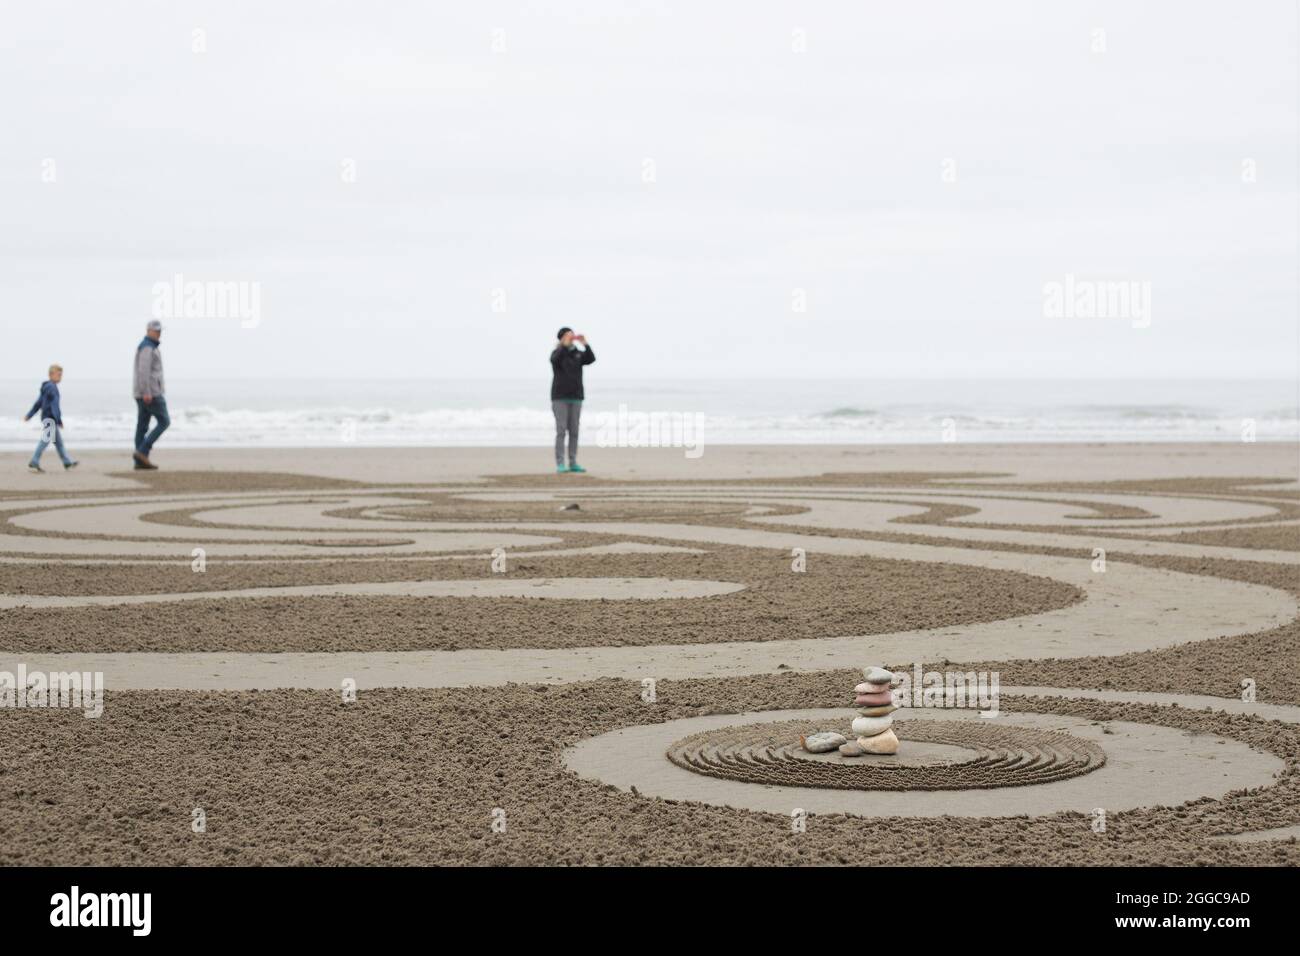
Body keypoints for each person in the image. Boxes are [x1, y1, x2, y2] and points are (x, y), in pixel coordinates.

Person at [550, 326, 595, 473]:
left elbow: (591, 359)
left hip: (576, 397)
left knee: (574, 431)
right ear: (562, 338)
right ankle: (560, 463)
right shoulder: (557, 353)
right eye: (568, 335)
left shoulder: (577, 354)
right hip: (559, 398)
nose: (571, 337)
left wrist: (585, 344)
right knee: (561, 430)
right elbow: (555, 360)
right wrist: (563, 345)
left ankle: (573, 461)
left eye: (572, 335)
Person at [23, 364, 77, 473]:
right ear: (51, 374)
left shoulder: (47, 387)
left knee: (58, 443)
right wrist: (58, 419)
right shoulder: (52, 387)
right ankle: (34, 461)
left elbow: (38, 403)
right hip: (50, 418)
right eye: (59, 374)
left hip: (48, 418)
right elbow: (54, 406)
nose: (60, 377)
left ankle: (67, 462)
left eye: (61, 375)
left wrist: (29, 415)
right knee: (45, 440)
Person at [132, 319, 168, 470]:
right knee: (164, 421)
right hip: (150, 393)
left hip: (143, 392)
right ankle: (142, 451)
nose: (159, 333)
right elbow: (143, 371)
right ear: (149, 331)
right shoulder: (147, 347)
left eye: (160, 331)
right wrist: (147, 392)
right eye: (156, 331)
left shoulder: (150, 346)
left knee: (142, 426)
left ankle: (140, 461)